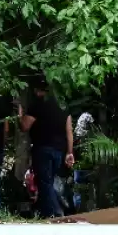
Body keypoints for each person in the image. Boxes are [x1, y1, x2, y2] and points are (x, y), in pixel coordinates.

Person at [17, 75, 74, 219]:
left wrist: (19, 115)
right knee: (48, 182)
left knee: (44, 183)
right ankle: (49, 212)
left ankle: (55, 213)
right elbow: (69, 132)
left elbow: (24, 126)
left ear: (37, 90)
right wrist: (69, 152)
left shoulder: (37, 105)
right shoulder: (63, 106)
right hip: (59, 151)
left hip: (43, 149)